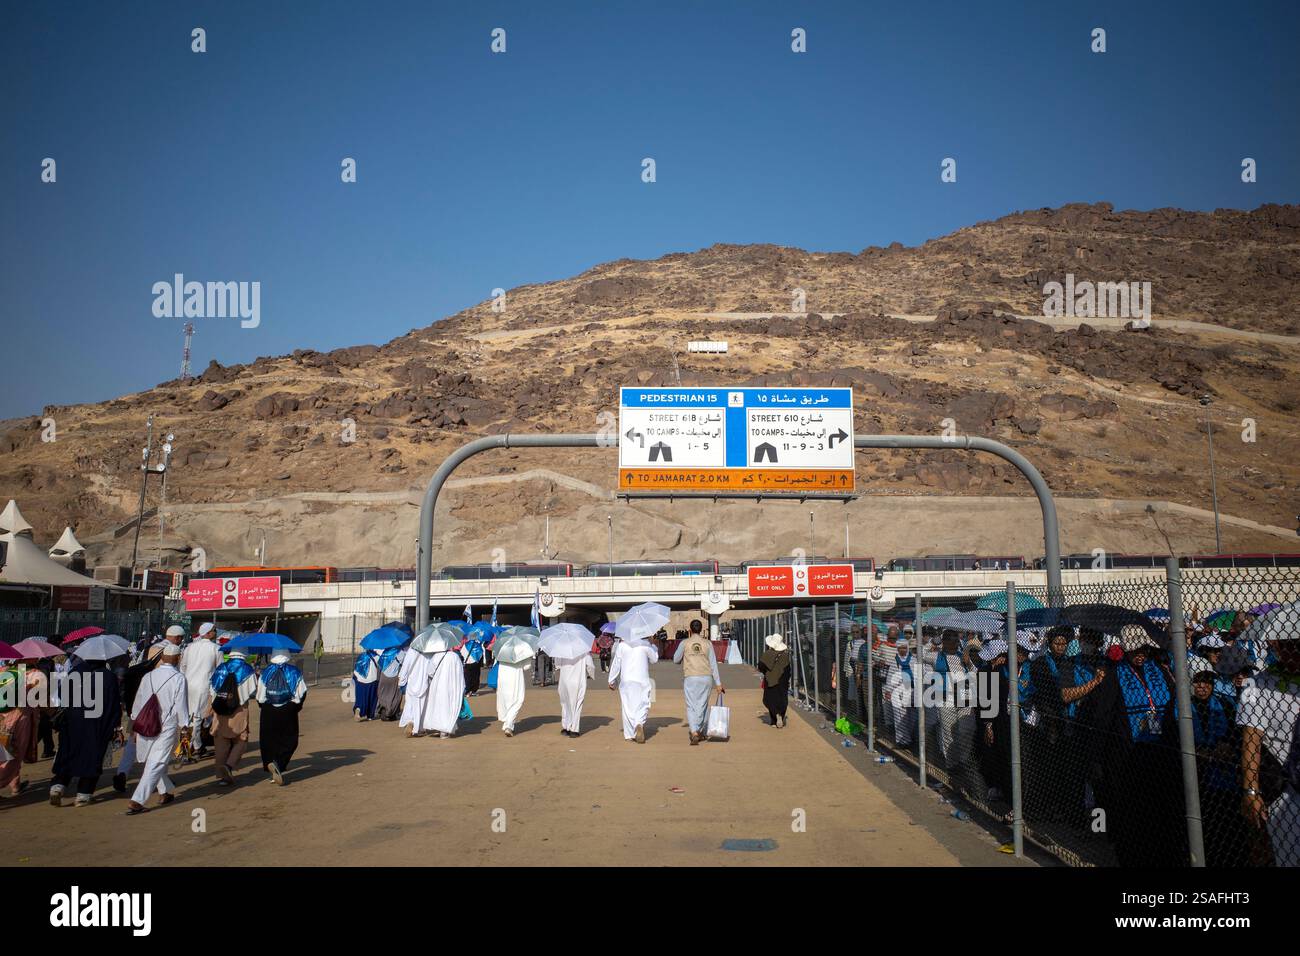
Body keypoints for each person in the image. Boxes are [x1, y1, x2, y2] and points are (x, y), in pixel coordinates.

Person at [1091, 625, 1183, 867]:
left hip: (1160, 751)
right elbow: (1104, 716)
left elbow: (1173, 704)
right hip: (1127, 754)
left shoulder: (1161, 672)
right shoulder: (1114, 675)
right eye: (1135, 650)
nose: (1140, 654)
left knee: (1161, 808)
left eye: (1143, 649)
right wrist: (1098, 757)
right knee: (1132, 811)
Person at [1237, 623, 1300, 867]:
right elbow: (1251, 739)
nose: (1293, 651)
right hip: (1286, 788)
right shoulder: (1257, 685)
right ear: (1277, 646)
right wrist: (1250, 789)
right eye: (1289, 645)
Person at [48, 654, 122, 807]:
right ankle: (83, 794)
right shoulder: (109, 677)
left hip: (72, 721)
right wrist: (116, 725)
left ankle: (57, 787)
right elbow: (114, 704)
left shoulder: (75, 672)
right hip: (97, 724)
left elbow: (62, 694)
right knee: (92, 757)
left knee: (68, 753)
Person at [126, 643, 189, 815]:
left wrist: (134, 724)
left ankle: (165, 792)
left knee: (152, 760)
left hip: (145, 723)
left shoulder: (148, 676)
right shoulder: (179, 678)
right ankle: (137, 800)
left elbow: (138, 702)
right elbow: (181, 706)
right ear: (177, 659)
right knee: (157, 762)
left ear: (162, 658)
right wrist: (185, 727)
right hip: (166, 725)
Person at [256, 650, 307, 785]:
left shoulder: (265, 672)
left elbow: (260, 696)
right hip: (288, 709)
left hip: (268, 709)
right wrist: (296, 707)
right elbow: (301, 692)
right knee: (290, 740)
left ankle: (270, 764)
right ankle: (279, 763)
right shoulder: (294, 671)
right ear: (287, 656)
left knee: (268, 740)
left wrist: (264, 706)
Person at [208, 649, 257, 785]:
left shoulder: (221, 668)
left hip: (220, 708)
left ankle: (222, 776)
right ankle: (229, 766)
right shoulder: (247, 669)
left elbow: (212, 688)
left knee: (221, 742)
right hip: (239, 709)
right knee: (241, 739)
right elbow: (252, 689)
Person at [674, 619, 724, 744]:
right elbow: (713, 664)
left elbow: (676, 659)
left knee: (691, 706)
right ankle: (700, 730)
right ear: (701, 630)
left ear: (690, 630)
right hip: (706, 677)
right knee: (703, 705)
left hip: (691, 677)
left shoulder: (685, 643)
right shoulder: (707, 643)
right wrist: (718, 683)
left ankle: (694, 731)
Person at [180, 622, 222, 759]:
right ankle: (195, 747)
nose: (215, 632)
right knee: (198, 717)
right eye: (214, 630)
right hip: (204, 686)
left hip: (188, 684)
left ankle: (193, 744)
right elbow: (220, 669)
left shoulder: (189, 647)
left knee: (190, 716)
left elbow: (183, 667)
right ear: (208, 633)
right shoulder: (216, 648)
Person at [609, 634, 659, 743]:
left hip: (626, 679)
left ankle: (629, 735)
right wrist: (653, 645)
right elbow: (654, 659)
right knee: (644, 703)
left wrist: (611, 680)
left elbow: (616, 663)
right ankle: (639, 723)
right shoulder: (645, 644)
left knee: (627, 706)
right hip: (642, 679)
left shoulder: (622, 645)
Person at [0, 659, 36, 798]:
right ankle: (12, 784)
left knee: (4, 755)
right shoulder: (30, 675)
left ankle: (15, 784)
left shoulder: (3, 672)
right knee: (14, 755)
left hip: (3, 720)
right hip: (20, 719)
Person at [422, 643, 465, 739]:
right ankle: (445, 730)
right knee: (449, 706)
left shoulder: (436, 656)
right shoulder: (455, 656)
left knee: (439, 706)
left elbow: (430, 672)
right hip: (453, 686)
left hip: (439, 685)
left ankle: (440, 728)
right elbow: (460, 672)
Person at [555, 647, 596, 738]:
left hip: (564, 680)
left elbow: (557, 665)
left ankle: (566, 726)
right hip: (578, 680)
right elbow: (590, 665)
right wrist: (591, 674)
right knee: (577, 704)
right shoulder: (584, 648)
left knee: (565, 703)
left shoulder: (561, 648)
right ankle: (574, 729)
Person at [398, 645, 436, 738]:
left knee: (410, 704)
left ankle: (410, 721)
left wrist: (401, 681)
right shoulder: (430, 651)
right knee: (421, 706)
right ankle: (418, 728)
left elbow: (405, 666)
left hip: (412, 682)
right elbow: (431, 669)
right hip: (423, 683)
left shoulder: (411, 650)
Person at [493, 644, 530, 738]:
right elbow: (527, 666)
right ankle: (509, 725)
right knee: (517, 700)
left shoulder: (502, 646)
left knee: (505, 699)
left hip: (503, 675)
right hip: (515, 676)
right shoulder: (524, 647)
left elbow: (496, 659)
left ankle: (507, 723)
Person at [885, 638, 916, 747]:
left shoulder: (914, 660)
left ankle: (909, 738)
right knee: (899, 717)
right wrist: (888, 691)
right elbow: (890, 678)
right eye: (900, 648)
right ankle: (903, 741)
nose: (902, 650)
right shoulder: (895, 662)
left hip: (912, 692)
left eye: (904, 647)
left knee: (911, 718)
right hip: (898, 693)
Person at [757, 633, 791, 729]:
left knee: (769, 699)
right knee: (782, 699)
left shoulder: (767, 654)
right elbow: (788, 670)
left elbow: (760, 666)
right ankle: (780, 714)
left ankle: (773, 719)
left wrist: (766, 672)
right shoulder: (785, 656)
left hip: (770, 680)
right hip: (783, 680)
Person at [374, 643, 405, 721]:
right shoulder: (400, 652)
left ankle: (384, 710)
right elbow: (404, 664)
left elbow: (379, 665)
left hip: (383, 676)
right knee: (395, 695)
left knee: (383, 694)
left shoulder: (384, 653)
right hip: (394, 678)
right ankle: (391, 712)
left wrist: (378, 678)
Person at [351, 647, 379, 721]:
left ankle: (358, 709)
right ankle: (370, 715)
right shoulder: (376, 657)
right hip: (372, 680)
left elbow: (356, 667)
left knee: (360, 697)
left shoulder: (361, 656)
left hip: (360, 679)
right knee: (372, 697)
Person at [461, 631, 486, 697]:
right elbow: (481, 653)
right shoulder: (478, 645)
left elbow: (462, 653)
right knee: (475, 677)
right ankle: (473, 691)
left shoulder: (466, 645)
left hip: (467, 663)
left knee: (467, 677)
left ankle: (467, 691)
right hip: (476, 663)